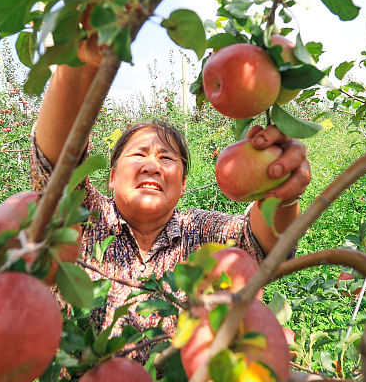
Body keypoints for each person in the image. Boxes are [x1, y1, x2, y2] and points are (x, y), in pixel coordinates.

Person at [31, 37, 312, 337]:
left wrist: (281, 189)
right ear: (111, 176)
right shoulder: (85, 220)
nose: (152, 165)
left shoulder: (202, 233)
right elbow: (55, 166)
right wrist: (81, 60)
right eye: (139, 154)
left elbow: (262, 245)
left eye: (166, 158)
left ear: (182, 185)